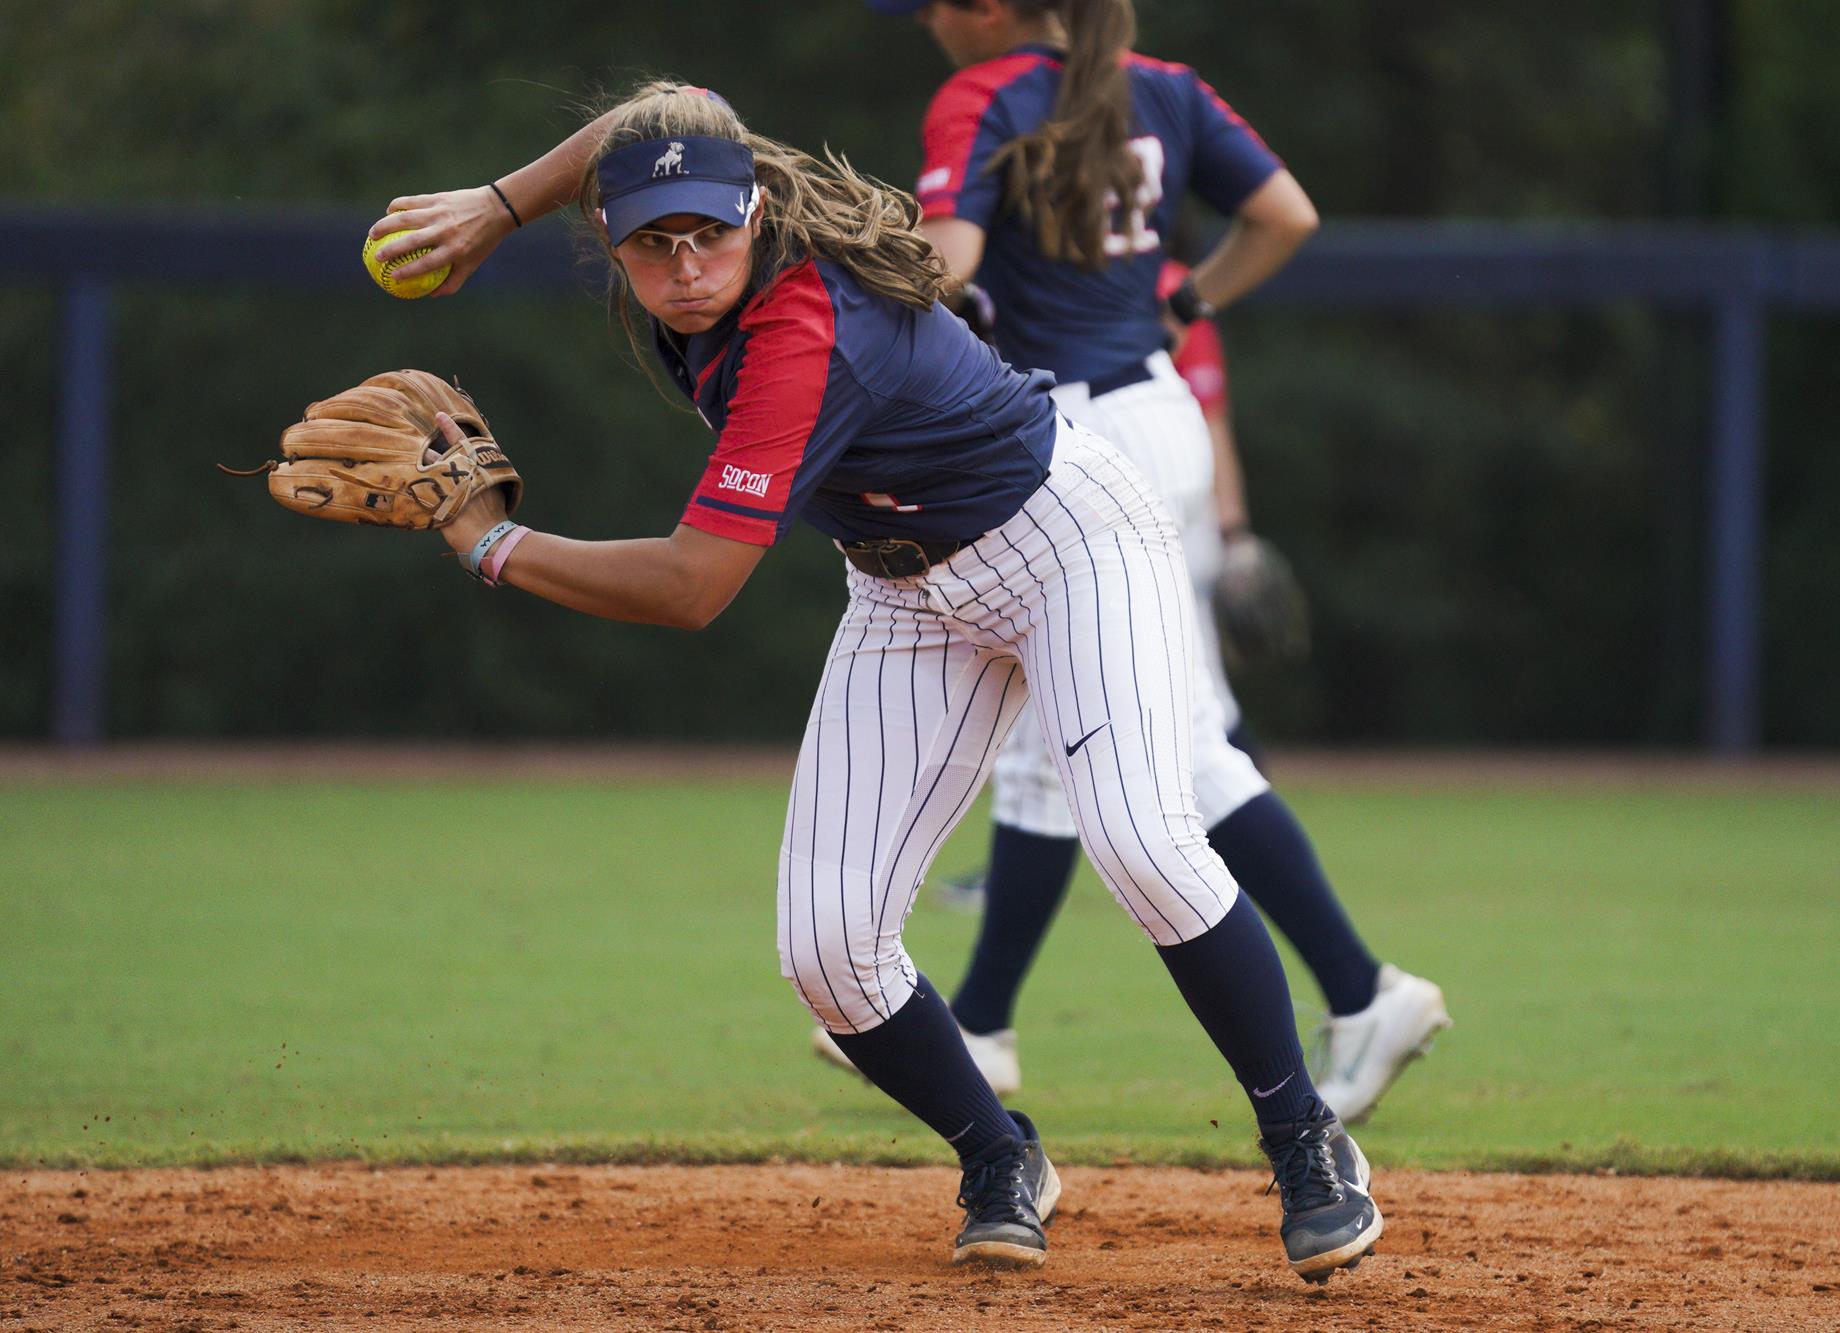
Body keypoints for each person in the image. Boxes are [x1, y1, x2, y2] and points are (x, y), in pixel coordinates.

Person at [365, 78, 1380, 1281]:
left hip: (1066, 542)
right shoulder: (690, 234)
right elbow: (660, 112)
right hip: (904, 589)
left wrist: (494, 543)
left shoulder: (800, 327)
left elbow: (695, 586)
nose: (686, 262)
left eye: (709, 231)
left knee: (1142, 842)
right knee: (827, 943)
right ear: (610, 239)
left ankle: (1302, 1138)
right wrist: (499, 205)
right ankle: (999, 1153)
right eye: (651, 240)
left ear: (753, 212)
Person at [832, 0, 1451, 1125]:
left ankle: (995, 1021)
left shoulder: (981, 94)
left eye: (931, 1)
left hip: (1061, 440)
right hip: (1152, 418)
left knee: (1102, 749)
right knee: (1158, 744)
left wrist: (836, 276)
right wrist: (1185, 300)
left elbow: (946, 268)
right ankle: (1348, 992)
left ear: (984, 6)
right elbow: (1284, 213)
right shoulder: (1161, 84)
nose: (923, 22)